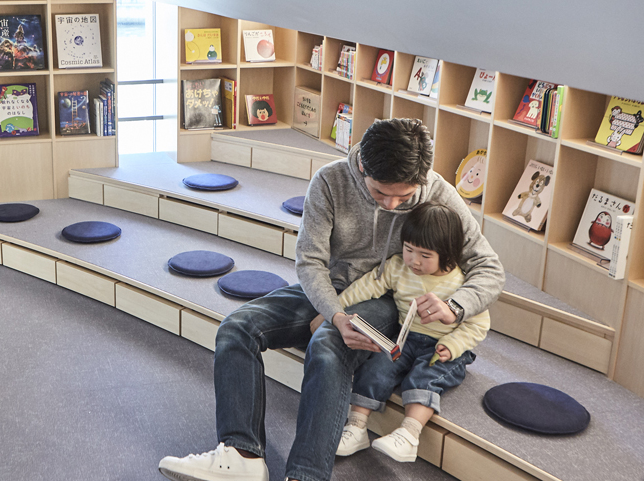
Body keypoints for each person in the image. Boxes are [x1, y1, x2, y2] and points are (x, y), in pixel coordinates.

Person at [158, 118, 504, 481]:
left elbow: (489, 268)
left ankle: (306, 475)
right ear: (362, 165)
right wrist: (335, 313)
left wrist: (456, 306)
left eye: (404, 198)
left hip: (388, 298)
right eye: (381, 193)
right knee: (237, 327)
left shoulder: (436, 191)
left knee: (328, 343)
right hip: (331, 288)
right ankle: (241, 455)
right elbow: (310, 262)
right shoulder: (329, 181)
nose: (392, 205)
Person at [335, 202, 490, 463]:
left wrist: (452, 345)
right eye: (408, 249)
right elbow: (366, 287)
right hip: (404, 339)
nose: (414, 261)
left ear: (447, 254)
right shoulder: (398, 267)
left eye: (425, 256)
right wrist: (335, 309)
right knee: (375, 367)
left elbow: (479, 324)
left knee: (424, 376)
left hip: (442, 347)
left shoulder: (461, 283)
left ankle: (408, 435)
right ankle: (356, 426)